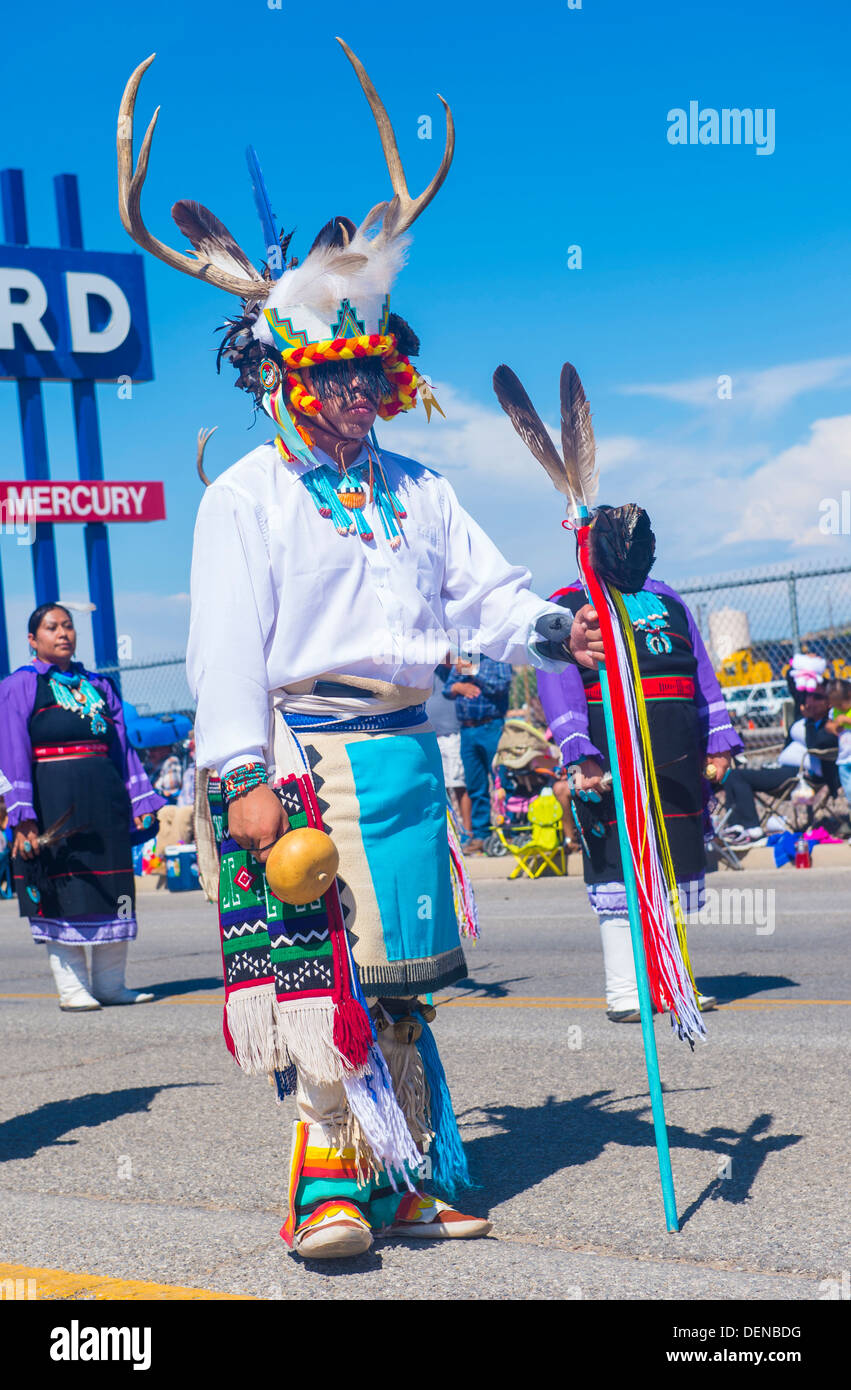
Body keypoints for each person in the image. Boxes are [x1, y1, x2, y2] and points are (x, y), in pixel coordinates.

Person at [117, 41, 602, 1258]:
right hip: (297, 757)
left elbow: (485, 598)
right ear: (285, 369)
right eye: (331, 376)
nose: (352, 398)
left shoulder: (420, 488)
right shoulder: (245, 496)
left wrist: (557, 626)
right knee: (314, 984)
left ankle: (418, 1169)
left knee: (400, 985)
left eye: (368, 378)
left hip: (402, 757)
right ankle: (327, 1187)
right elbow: (225, 652)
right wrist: (238, 783)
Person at [537, 506, 741, 1022]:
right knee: (616, 865)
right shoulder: (567, 607)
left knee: (670, 866)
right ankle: (627, 990)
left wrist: (716, 741)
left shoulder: (670, 600)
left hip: (675, 754)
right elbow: (557, 681)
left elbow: (700, 673)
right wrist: (578, 752)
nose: (634, 552)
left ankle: (675, 984)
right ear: (592, 546)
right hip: (610, 755)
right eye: (621, 544)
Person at [0, 604, 164, 1010]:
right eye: (51, 627)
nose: (63, 634)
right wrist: (22, 816)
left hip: (105, 805)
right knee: (63, 888)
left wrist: (140, 800)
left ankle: (111, 985)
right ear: (32, 640)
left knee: (115, 890)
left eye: (68, 626)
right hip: (53, 805)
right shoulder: (20, 686)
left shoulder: (100, 685)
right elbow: (10, 752)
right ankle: (73, 989)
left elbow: (122, 747)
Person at [721, 656, 840, 843]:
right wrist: (804, 667)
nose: (809, 700)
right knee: (731, 775)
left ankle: (752, 828)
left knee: (738, 776)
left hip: (802, 776)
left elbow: (815, 745)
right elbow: (791, 681)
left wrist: (810, 721)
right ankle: (737, 827)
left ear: (829, 702)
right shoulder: (803, 714)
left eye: (817, 696)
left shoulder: (830, 725)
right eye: (807, 694)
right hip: (783, 770)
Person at [443, 657, 514, 852]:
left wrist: (473, 671)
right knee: (475, 785)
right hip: (467, 730)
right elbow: (447, 690)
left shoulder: (496, 657)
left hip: (491, 727)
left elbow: (500, 686)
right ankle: (481, 835)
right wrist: (459, 686)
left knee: (502, 781)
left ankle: (509, 832)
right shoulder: (466, 657)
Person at [426, 668, 471, 838]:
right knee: (437, 788)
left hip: (452, 733)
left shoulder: (459, 657)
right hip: (428, 735)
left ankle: (468, 833)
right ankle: (449, 833)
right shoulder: (425, 663)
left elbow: (471, 664)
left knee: (459, 785)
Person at [826, 677, 851, 808]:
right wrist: (833, 727)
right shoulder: (835, 712)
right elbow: (828, 725)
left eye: (841, 705)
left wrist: (846, 720)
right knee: (849, 791)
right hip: (844, 759)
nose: (839, 709)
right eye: (836, 706)